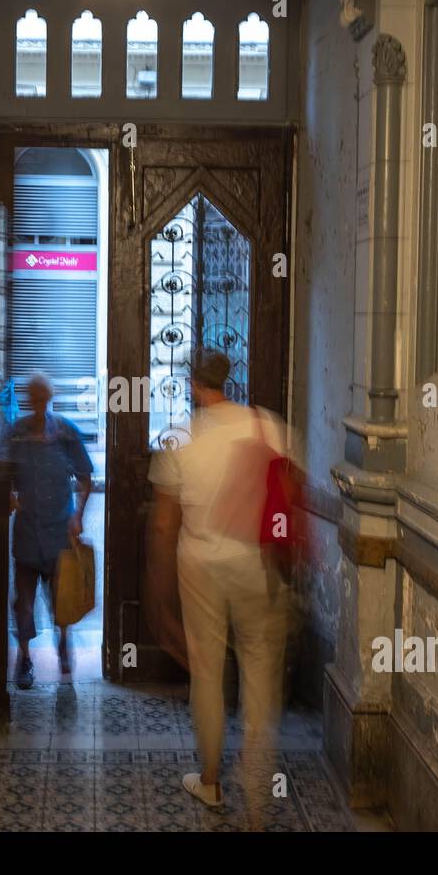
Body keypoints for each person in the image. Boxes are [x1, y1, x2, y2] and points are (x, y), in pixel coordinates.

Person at [147, 350, 288, 826]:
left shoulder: (181, 439)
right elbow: (288, 502)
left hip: (201, 565)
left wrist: (159, 598)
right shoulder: (266, 426)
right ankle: (256, 807)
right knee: (260, 678)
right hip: (257, 567)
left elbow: (164, 526)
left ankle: (210, 781)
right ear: (229, 380)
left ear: (192, 384)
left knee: (207, 673)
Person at [6, 372, 93, 689]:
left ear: (50, 399)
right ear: (29, 400)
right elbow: (3, 475)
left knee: (62, 599)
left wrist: (78, 514)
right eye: (33, 398)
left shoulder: (67, 433)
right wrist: (10, 496)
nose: (38, 404)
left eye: (43, 398)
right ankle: (25, 658)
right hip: (28, 533)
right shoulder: (17, 433)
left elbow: (86, 478)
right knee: (24, 603)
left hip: (59, 532)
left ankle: (63, 644)